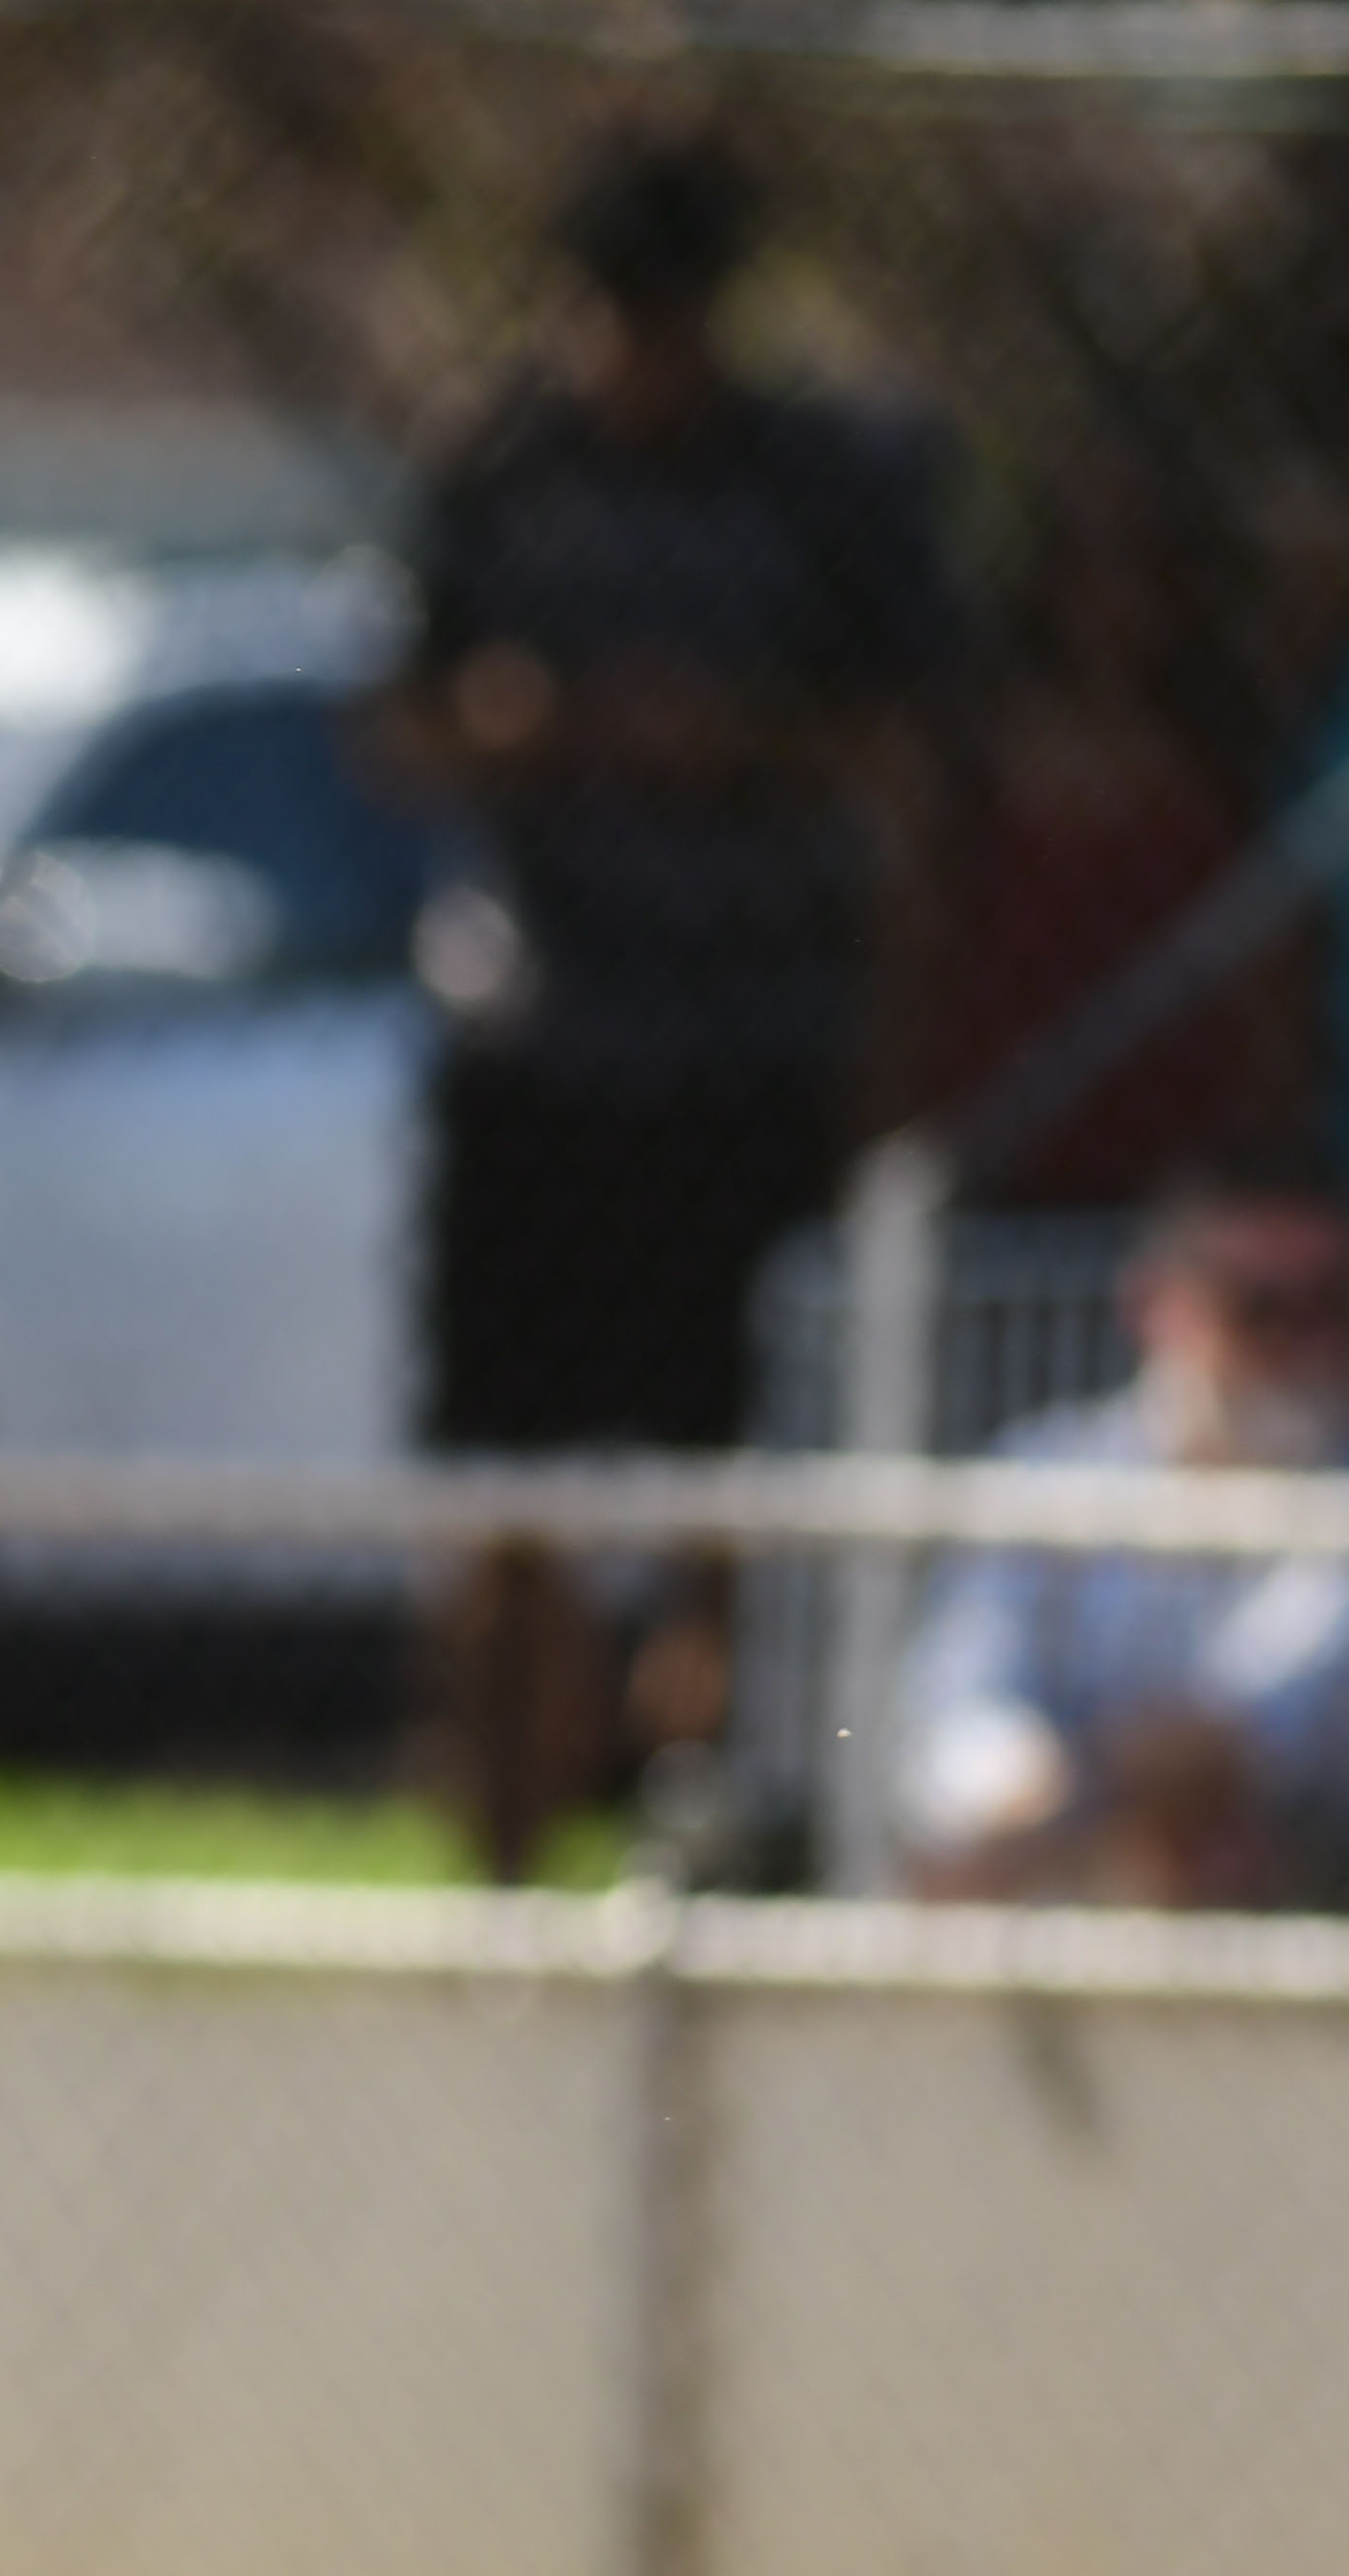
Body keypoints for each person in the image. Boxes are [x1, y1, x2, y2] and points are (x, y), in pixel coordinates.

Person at [395, 132, 956, 1877]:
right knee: (505, 1488)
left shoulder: (820, 486)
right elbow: (393, 728)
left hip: (744, 1048)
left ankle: (709, 1823)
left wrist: (735, 734)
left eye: (662, 318)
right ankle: (503, 1874)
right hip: (539, 1051)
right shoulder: (502, 469)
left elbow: (912, 751)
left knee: (743, 1477)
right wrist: (548, 724)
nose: (632, 354)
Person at [897, 1160, 1349, 1909]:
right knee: (967, 1862)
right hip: (1051, 1866)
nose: (1301, 1343)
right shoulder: (1045, 1470)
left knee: (1204, 1847)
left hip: (1296, 1888)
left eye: (1330, 1303)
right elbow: (959, 1708)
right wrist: (1034, 1794)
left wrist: (1082, 1787)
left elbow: (1254, 1733)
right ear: (1158, 1304)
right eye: (1258, 1305)